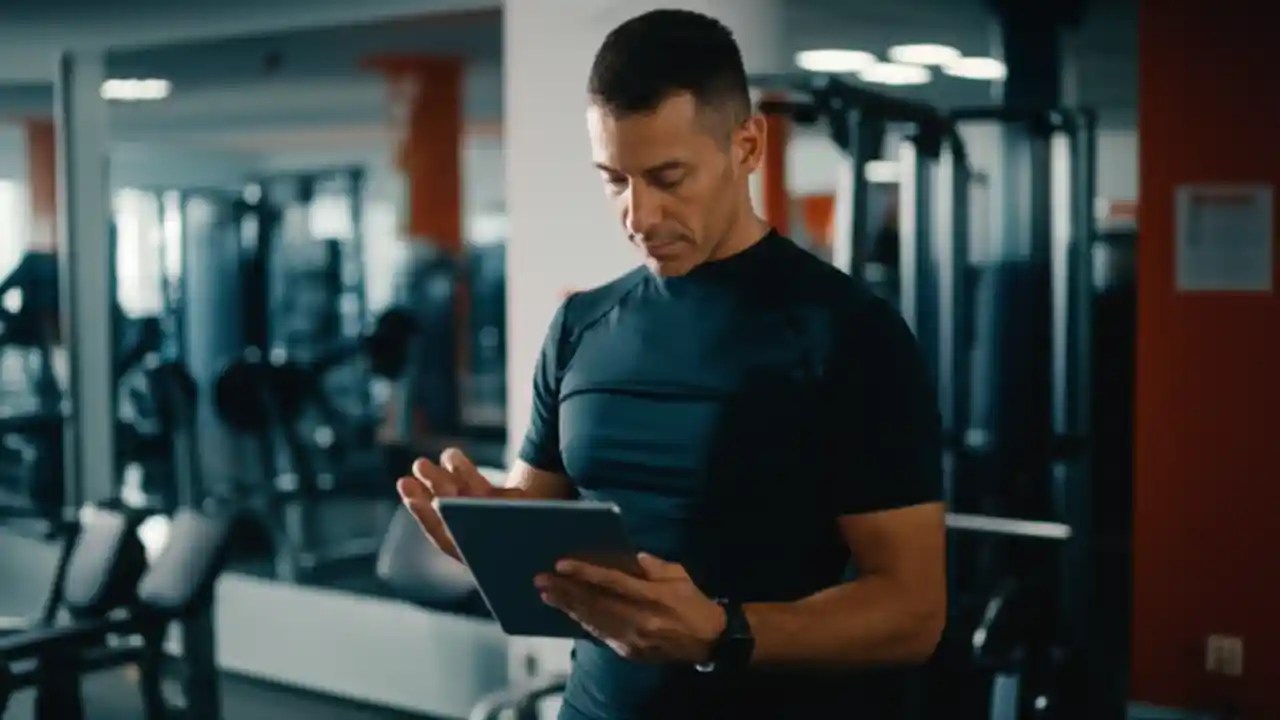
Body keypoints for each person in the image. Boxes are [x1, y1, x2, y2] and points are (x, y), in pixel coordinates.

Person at [397, 8, 946, 719]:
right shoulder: (580, 327)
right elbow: (544, 519)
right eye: (615, 180)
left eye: (668, 177)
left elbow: (912, 612)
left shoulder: (849, 335)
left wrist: (722, 630)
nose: (639, 215)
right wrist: (490, 531)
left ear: (746, 146)